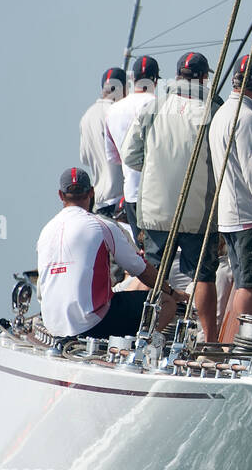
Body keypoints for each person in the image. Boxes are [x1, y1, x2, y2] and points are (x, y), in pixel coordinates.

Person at [121, 51, 220, 342]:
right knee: (202, 275)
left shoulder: (153, 107)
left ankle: (140, 333)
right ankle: (210, 340)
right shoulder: (212, 109)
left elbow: (130, 156)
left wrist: (154, 168)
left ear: (177, 76)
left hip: (153, 208)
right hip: (196, 211)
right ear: (203, 77)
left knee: (152, 272)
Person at [37, 168, 177, 339]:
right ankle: (139, 350)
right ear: (91, 192)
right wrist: (173, 293)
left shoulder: (45, 231)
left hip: (53, 324)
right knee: (165, 303)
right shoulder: (102, 226)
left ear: (60, 195)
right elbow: (141, 270)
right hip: (92, 324)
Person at [208, 53, 252, 332]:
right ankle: (242, 345)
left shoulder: (223, 114)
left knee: (242, 282)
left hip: (231, 215)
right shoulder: (246, 119)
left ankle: (234, 342)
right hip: (250, 217)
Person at [106, 54, 160, 236]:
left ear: (132, 79)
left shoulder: (112, 111)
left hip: (131, 194)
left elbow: (114, 157)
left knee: (143, 255)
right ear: (155, 80)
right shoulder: (159, 105)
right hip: (157, 193)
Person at [78, 67, 126, 217]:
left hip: (99, 203)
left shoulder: (86, 117)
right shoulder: (119, 112)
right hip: (121, 202)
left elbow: (84, 158)